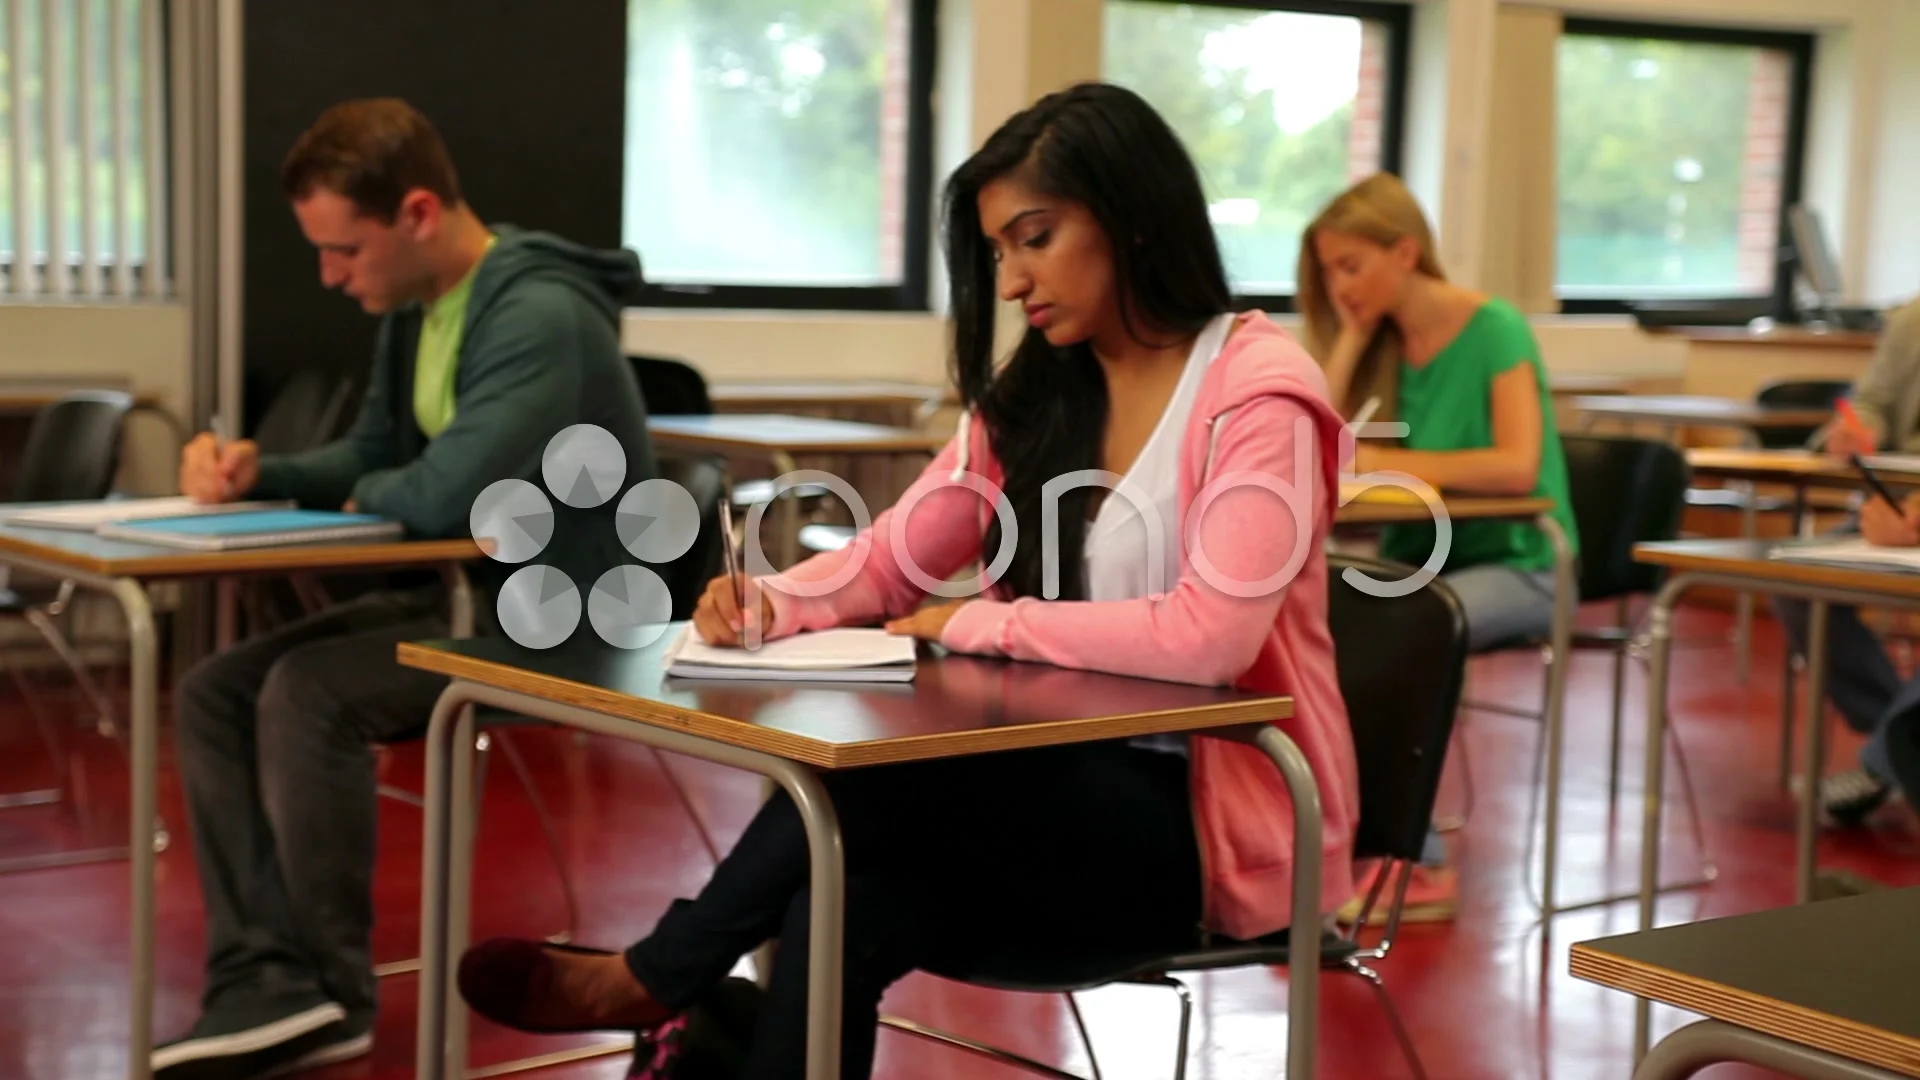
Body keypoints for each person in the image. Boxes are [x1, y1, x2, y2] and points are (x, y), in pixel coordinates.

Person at [454, 82, 1360, 1080]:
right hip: (1048, 796)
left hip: (1209, 825)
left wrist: (983, 624)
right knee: (838, 900)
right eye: (999, 252)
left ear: (1132, 216)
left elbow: (1209, 638)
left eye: (1036, 238)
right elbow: (895, 558)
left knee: (888, 777)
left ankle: (658, 973)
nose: (1012, 282)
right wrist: (778, 601)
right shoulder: (1040, 395)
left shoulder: (1258, 390)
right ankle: (667, 973)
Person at [159, 98, 654, 1078]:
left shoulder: (541, 316)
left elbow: (441, 493)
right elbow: (380, 456)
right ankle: (265, 977)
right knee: (216, 689)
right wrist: (266, 472)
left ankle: (331, 995)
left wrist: (381, 488)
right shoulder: (421, 308)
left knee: (310, 692)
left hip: (571, 621)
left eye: (344, 250)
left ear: (418, 213)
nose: (330, 275)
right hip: (471, 597)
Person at [1298, 172, 1580, 923]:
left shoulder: (1497, 329)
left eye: (1351, 266)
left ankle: (1418, 863)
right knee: (1313, 623)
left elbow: (1517, 466)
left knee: (1397, 638)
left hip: (1522, 562)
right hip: (1423, 563)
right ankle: (1346, 842)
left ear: (1405, 252)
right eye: (1328, 272)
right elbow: (1311, 440)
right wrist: (1352, 337)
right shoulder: (1385, 342)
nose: (1339, 287)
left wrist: (1392, 463)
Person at [1775, 296, 1920, 825]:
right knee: (1797, 581)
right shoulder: (1912, 320)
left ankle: (1886, 760)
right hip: (1893, 507)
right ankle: (1894, 747)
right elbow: (1872, 401)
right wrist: (1858, 431)